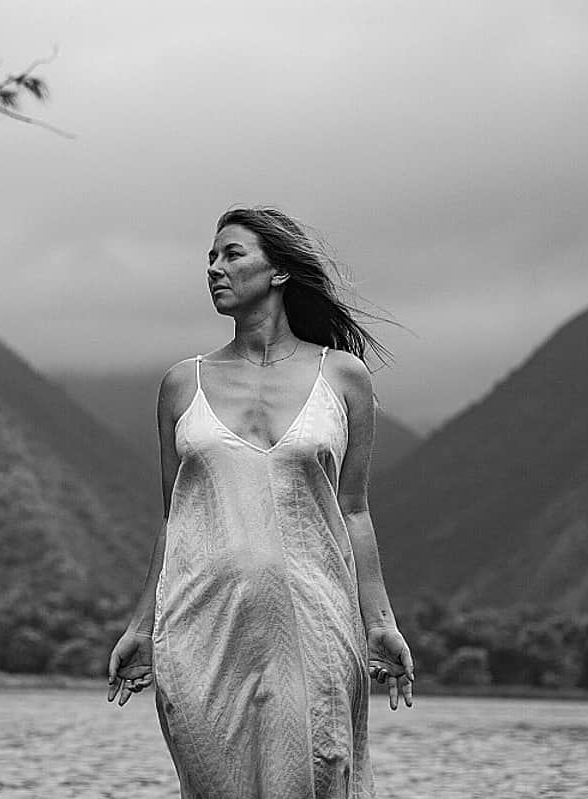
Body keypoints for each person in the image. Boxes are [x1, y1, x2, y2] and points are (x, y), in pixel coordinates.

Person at [106, 206, 414, 799]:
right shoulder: (181, 383)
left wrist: (379, 623)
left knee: (320, 776)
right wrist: (142, 624)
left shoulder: (343, 378)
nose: (215, 269)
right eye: (210, 260)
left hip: (316, 621)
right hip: (202, 626)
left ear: (278, 273)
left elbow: (354, 510)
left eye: (231, 254)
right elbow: (172, 516)